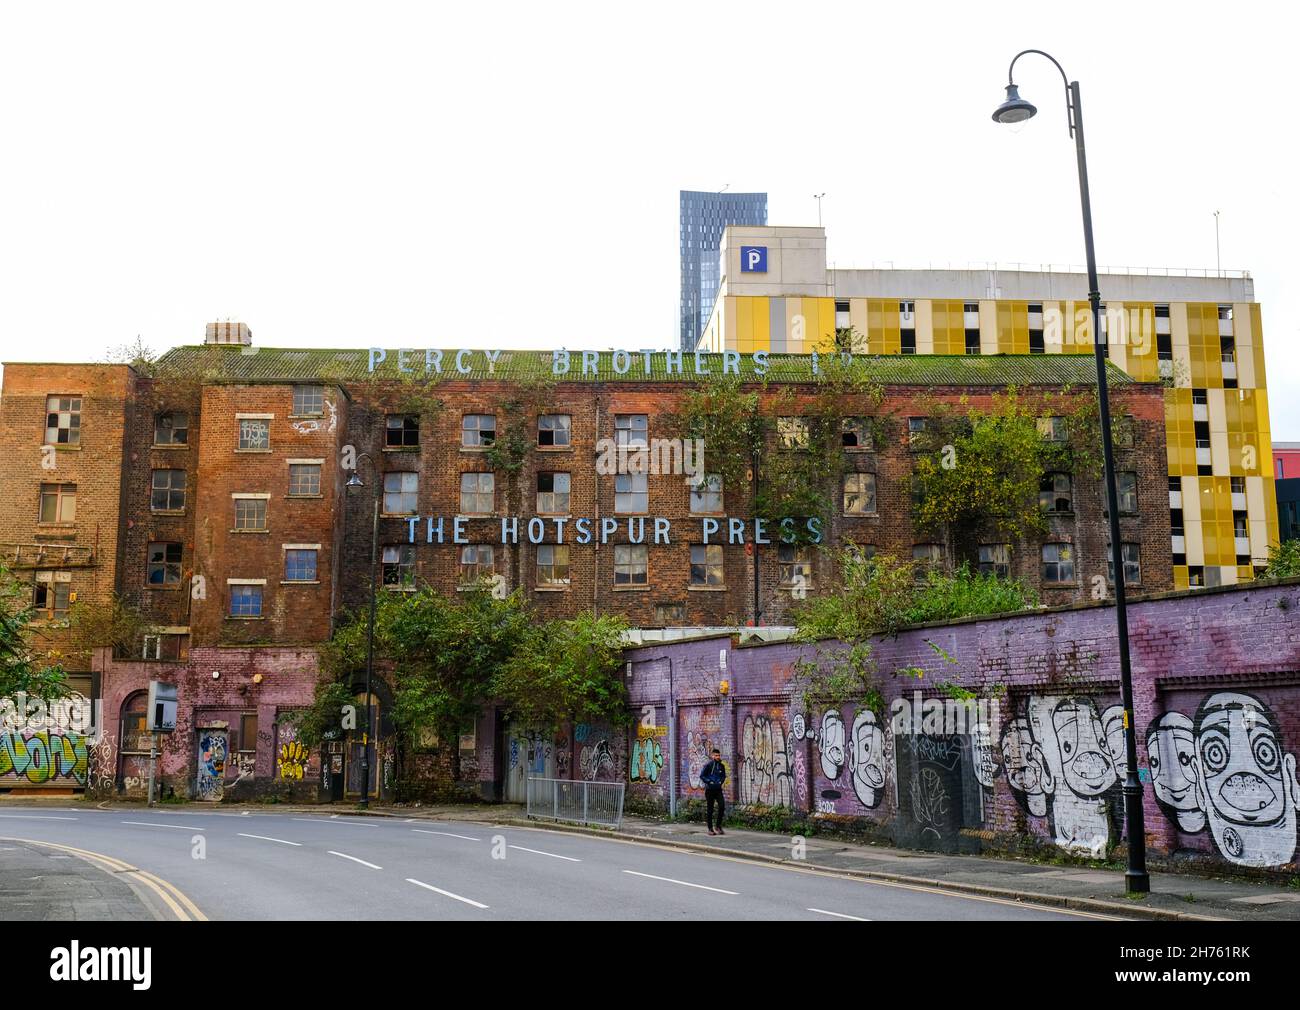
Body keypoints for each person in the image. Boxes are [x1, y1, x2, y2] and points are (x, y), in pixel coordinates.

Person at [700, 748, 727, 835]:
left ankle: (718, 826)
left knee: (722, 806)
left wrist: (720, 781)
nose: (718, 757)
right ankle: (710, 829)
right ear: (712, 756)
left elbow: (723, 776)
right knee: (710, 809)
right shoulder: (708, 765)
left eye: (719, 755)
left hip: (718, 789)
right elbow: (702, 776)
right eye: (716, 755)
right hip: (710, 790)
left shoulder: (721, 766)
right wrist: (709, 781)